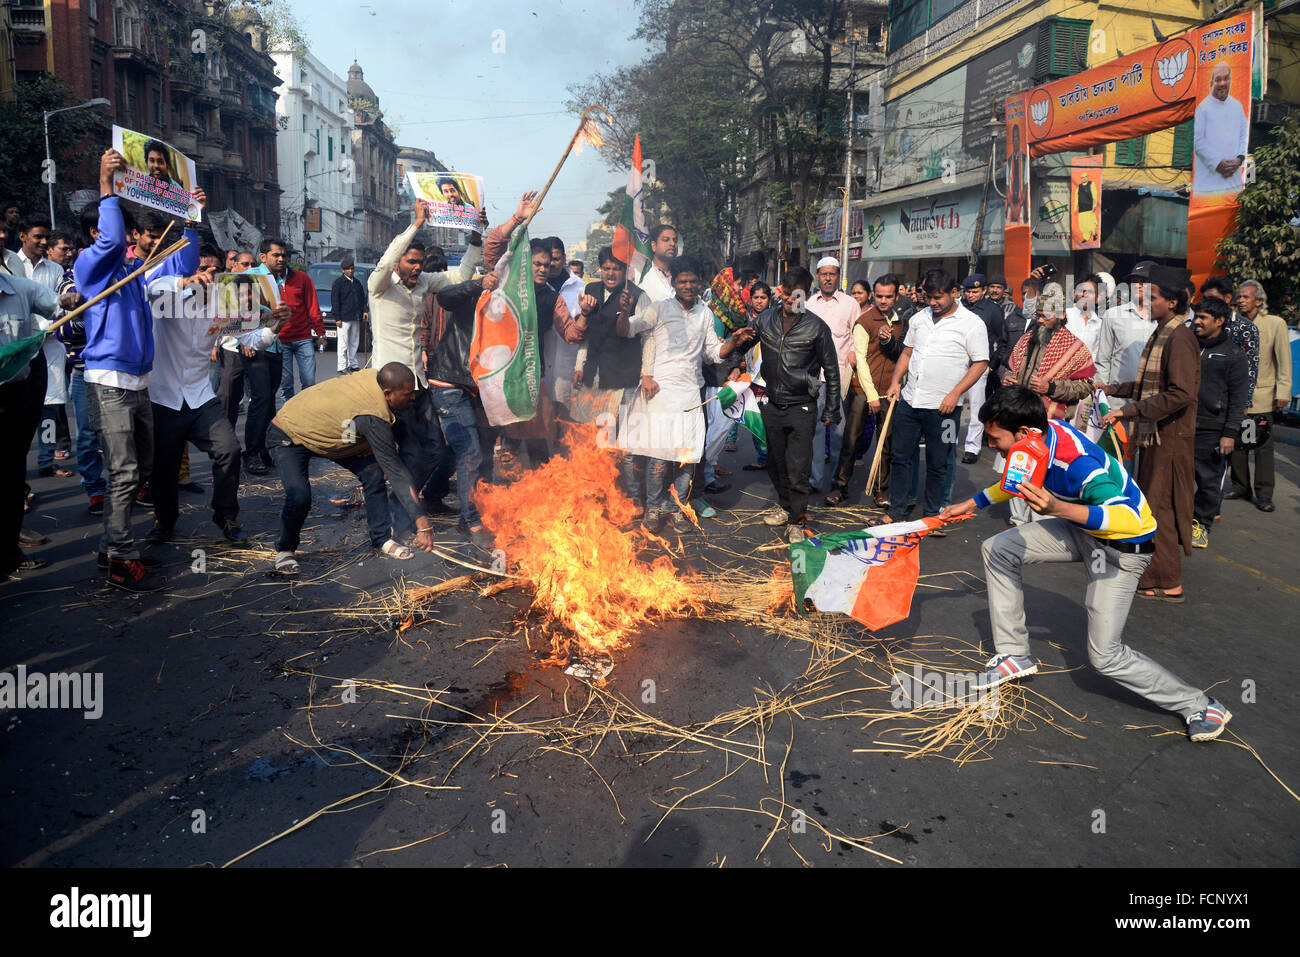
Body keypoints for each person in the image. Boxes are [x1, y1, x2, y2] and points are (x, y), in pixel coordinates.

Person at [940, 385, 1232, 743]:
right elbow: (1013, 484)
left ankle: (1201, 705)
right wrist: (971, 504)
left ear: (1024, 433)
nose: (990, 445)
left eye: (994, 437)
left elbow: (1129, 519)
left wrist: (1057, 509)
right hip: (1081, 529)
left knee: (1106, 657)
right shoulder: (1034, 443)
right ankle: (1014, 654)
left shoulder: (1077, 464)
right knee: (998, 548)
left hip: (1122, 549)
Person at [74, 149, 199, 591]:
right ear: (97, 231)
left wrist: (192, 220)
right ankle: (122, 559)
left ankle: (113, 546)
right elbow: (108, 244)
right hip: (108, 381)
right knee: (125, 471)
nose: (130, 241)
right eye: (126, 232)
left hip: (139, 381)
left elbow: (184, 264)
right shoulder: (90, 267)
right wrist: (106, 187)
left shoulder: (136, 271)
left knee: (142, 466)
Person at [145, 255, 289, 547]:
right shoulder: (166, 300)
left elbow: (254, 339)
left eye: (214, 270)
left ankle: (225, 516)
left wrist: (275, 326)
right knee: (164, 465)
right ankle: (165, 520)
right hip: (163, 397)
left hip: (200, 396)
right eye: (201, 269)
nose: (208, 275)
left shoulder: (223, 304)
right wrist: (183, 281)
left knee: (229, 449)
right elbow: (149, 287)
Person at [370, 199, 484, 539]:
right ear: (400, 261)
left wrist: (475, 237)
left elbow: (461, 275)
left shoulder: (423, 284)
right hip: (386, 387)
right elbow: (387, 259)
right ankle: (394, 514)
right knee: (394, 453)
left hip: (418, 384)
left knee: (434, 446)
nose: (417, 268)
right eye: (411, 261)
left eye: (420, 262)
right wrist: (416, 225)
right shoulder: (381, 284)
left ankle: (409, 500)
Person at [616, 256, 753, 532]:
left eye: (692, 281)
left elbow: (714, 354)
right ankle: (653, 510)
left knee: (687, 458)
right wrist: (622, 312)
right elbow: (628, 330)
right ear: (674, 283)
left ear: (699, 282)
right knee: (658, 457)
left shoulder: (705, 314)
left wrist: (734, 342)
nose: (688, 286)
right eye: (682, 281)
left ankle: (679, 508)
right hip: (660, 396)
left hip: (691, 395)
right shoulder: (659, 309)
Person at [267, 363, 438, 576]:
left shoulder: (375, 381)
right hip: (288, 434)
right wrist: (423, 524)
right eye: (407, 394)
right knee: (299, 495)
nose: (413, 398)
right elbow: (396, 473)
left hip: (329, 433)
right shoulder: (373, 415)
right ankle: (285, 550)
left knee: (373, 473)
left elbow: (353, 423)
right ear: (387, 393)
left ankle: (382, 539)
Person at [1102, 264, 1199, 602]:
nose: (1147, 301)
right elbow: (1147, 386)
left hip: (1170, 438)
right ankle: (1161, 576)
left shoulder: (1180, 337)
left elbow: (1181, 393)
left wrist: (1129, 409)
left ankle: (1167, 580)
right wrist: (1113, 387)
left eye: (1153, 296)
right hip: (1157, 435)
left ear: (1172, 302)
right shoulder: (1164, 331)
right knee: (1156, 506)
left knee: (1160, 508)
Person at [883, 268, 989, 530]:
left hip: (946, 409)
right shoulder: (920, 319)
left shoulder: (972, 323)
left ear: (954, 293)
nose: (933, 303)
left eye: (938, 297)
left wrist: (955, 394)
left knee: (939, 462)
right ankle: (897, 511)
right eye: (929, 297)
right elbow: (907, 353)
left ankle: (932, 515)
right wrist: (896, 382)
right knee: (900, 457)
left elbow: (980, 363)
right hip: (910, 402)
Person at [747, 266, 840, 541]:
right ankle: (784, 506)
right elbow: (743, 344)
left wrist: (832, 408)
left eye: (796, 295)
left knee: (798, 466)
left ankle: (797, 519)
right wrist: (731, 366)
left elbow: (831, 370)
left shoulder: (817, 327)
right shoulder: (764, 320)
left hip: (802, 406)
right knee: (776, 463)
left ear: (807, 295)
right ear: (781, 292)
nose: (790, 301)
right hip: (772, 403)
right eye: (786, 294)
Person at [482, 192, 571, 468]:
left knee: (537, 444)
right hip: (501, 375)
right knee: (504, 445)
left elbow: (571, 333)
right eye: (537, 263)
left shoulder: (552, 297)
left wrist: (587, 316)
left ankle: (542, 504)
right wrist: (517, 218)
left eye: (547, 265)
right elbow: (493, 247)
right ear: (526, 262)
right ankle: (500, 503)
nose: (543, 269)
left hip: (533, 376)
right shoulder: (507, 281)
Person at [1000, 282, 1096, 524]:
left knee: (1042, 472)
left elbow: (1086, 385)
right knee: (1016, 467)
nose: (1040, 320)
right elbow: (1008, 367)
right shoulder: (1025, 340)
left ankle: (1040, 522)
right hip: (1017, 416)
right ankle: (1017, 521)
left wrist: (1051, 388)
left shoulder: (1076, 348)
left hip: (1048, 421)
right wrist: (1006, 378)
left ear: (1061, 315)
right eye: (1038, 315)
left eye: (1046, 316)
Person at [0, 270, 61, 577]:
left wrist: (70, 298)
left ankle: (10, 554)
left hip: (13, 400)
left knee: (11, 479)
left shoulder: (21, 289)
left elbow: (60, 303)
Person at [827, 273, 906, 508]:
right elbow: (860, 360)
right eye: (879, 296)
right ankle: (840, 487)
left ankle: (881, 490)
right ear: (873, 295)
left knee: (886, 443)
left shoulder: (900, 321)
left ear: (896, 296)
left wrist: (897, 384)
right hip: (863, 390)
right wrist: (871, 395)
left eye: (888, 296)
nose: (883, 301)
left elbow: (903, 355)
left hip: (890, 390)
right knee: (851, 440)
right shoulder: (865, 322)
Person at [1188, 297, 1249, 550]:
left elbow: (1238, 398)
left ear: (1220, 321)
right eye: (1197, 316)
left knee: (1208, 481)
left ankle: (1201, 526)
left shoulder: (1233, 355)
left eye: (1203, 318)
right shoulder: (1188, 345)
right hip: (1182, 423)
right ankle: (1177, 522)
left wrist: (1230, 433)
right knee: (1178, 477)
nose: (1197, 321)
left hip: (1212, 429)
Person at [1227, 280, 1292, 512]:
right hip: (1235, 395)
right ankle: (1240, 486)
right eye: (1239, 297)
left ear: (1259, 301)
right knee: (1236, 442)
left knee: (1262, 444)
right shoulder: (1233, 323)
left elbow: (1283, 361)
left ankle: (1264, 493)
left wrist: (1283, 392)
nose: (1241, 300)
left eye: (1246, 297)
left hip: (1263, 395)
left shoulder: (1275, 324)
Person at [805, 256, 859, 492]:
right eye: (824, 274)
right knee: (814, 431)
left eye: (832, 274)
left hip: (839, 377)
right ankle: (815, 480)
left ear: (838, 275)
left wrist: (855, 353)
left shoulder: (850, 304)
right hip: (814, 378)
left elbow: (859, 337)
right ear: (817, 276)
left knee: (838, 431)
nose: (828, 278)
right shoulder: (808, 303)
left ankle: (838, 481)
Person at [248, 239, 322, 402]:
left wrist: (320, 333)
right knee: (281, 387)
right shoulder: (252, 278)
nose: (281, 259)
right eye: (276, 255)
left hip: (300, 338)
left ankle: (305, 416)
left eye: (283, 255)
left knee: (309, 382)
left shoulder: (300, 279)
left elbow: (313, 307)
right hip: (273, 342)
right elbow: (234, 315)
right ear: (263, 257)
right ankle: (286, 421)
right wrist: (244, 342)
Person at [1094, 261, 1158, 420]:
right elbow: (1103, 359)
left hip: (1153, 404)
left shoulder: (1164, 320)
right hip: (1117, 404)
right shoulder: (1113, 315)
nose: (1139, 286)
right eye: (1135, 282)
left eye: (1144, 282)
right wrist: (1102, 399)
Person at [957, 273, 1006, 464]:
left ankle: (972, 447)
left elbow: (1001, 341)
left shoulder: (993, 310)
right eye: (968, 291)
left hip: (980, 364)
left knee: (977, 407)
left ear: (984, 290)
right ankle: (948, 442)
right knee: (953, 404)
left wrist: (992, 366)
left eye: (975, 291)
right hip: (958, 363)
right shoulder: (958, 307)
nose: (970, 295)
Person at [1192, 63, 1249, 196]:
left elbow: (1244, 135)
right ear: (1211, 83)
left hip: (1233, 186)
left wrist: (1239, 159)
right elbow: (1198, 141)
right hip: (1206, 188)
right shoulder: (1203, 108)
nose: (1223, 83)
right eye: (1218, 79)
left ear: (1230, 80)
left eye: (1226, 78)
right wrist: (1218, 164)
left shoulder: (1237, 106)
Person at [1199, 275, 1259, 395]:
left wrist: (1244, 403)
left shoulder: (1245, 327)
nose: (1208, 303)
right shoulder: (1199, 324)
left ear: (1227, 298)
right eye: (1205, 299)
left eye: (1212, 298)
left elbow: (1250, 369)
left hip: (1227, 397)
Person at [331, 256, 369, 374]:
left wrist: (365, 311)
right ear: (343, 270)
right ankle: (342, 366)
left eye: (352, 268)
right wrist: (337, 317)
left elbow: (362, 299)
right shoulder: (338, 283)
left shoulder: (357, 283)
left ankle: (353, 364)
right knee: (343, 343)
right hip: (344, 318)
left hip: (356, 316)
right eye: (348, 269)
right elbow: (335, 301)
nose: (350, 271)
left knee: (354, 341)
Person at [636, 224, 678, 308]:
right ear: (654, 246)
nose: (672, 244)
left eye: (675, 240)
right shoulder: (640, 275)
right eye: (666, 240)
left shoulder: (681, 273)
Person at [1065, 273, 1104, 358]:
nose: (1085, 295)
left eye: (1090, 292)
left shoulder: (1100, 325)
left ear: (1098, 297)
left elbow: (1096, 354)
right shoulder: (1065, 316)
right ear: (1074, 294)